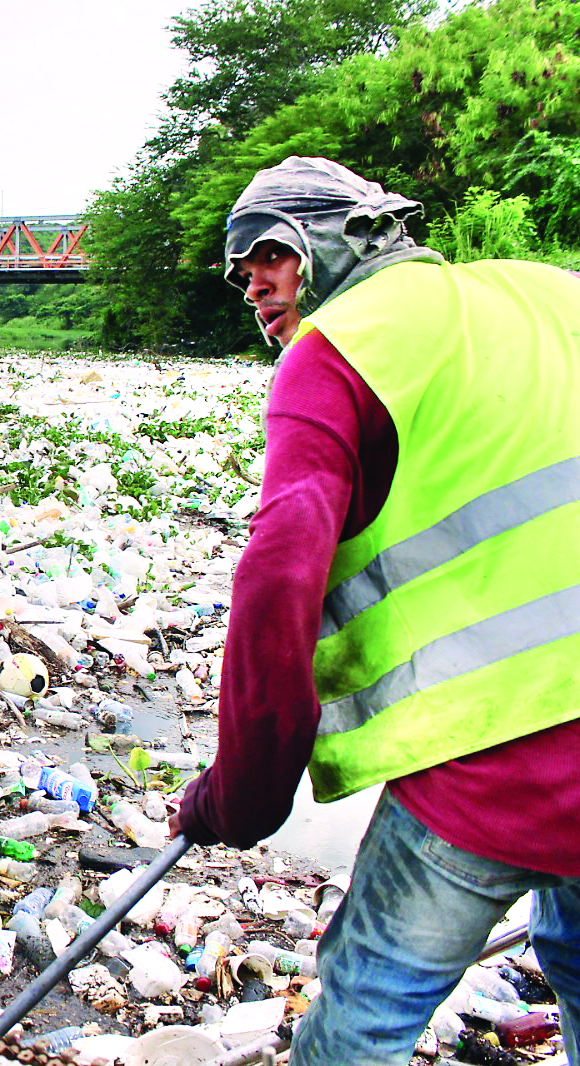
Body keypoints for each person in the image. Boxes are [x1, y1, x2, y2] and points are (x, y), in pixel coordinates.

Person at [169, 156, 580, 1063]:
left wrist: (238, 797)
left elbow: (277, 581)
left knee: (358, 1026)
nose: (253, 282)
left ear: (353, 237)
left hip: (496, 761)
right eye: (239, 270)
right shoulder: (556, 294)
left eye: (269, 250)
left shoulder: (340, 348)